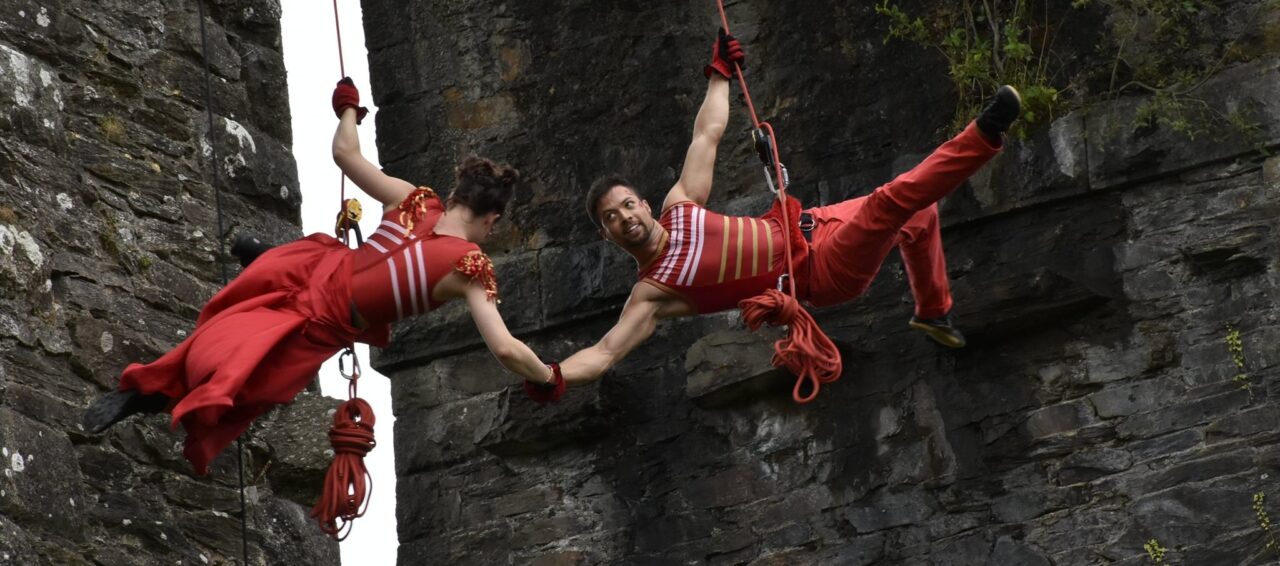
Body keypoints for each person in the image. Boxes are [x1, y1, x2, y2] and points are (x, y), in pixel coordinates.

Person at [83, 78, 562, 474]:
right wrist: (545, 377)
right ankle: (151, 398)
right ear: (492, 219)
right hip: (321, 318)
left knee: (225, 332)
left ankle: (264, 264)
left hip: (316, 271)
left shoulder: (415, 200)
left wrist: (349, 110)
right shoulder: (471, 266)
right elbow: (503, 347)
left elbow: (344, 154)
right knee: (244, 386)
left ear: (456, 195)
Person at [557, 30, 1021, 386]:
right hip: (820, 273)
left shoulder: (679, 206)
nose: (625, 218)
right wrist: (549, 376)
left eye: (627, 204)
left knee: (917, 214)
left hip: (814, 223)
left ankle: (934, 310)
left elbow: (708, 133)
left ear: (643, 202)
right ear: (607, 236)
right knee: (890, 203)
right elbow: (604, 353)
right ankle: (983, 138)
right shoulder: (652, 292)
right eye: (611, 219)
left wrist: (719, 73)